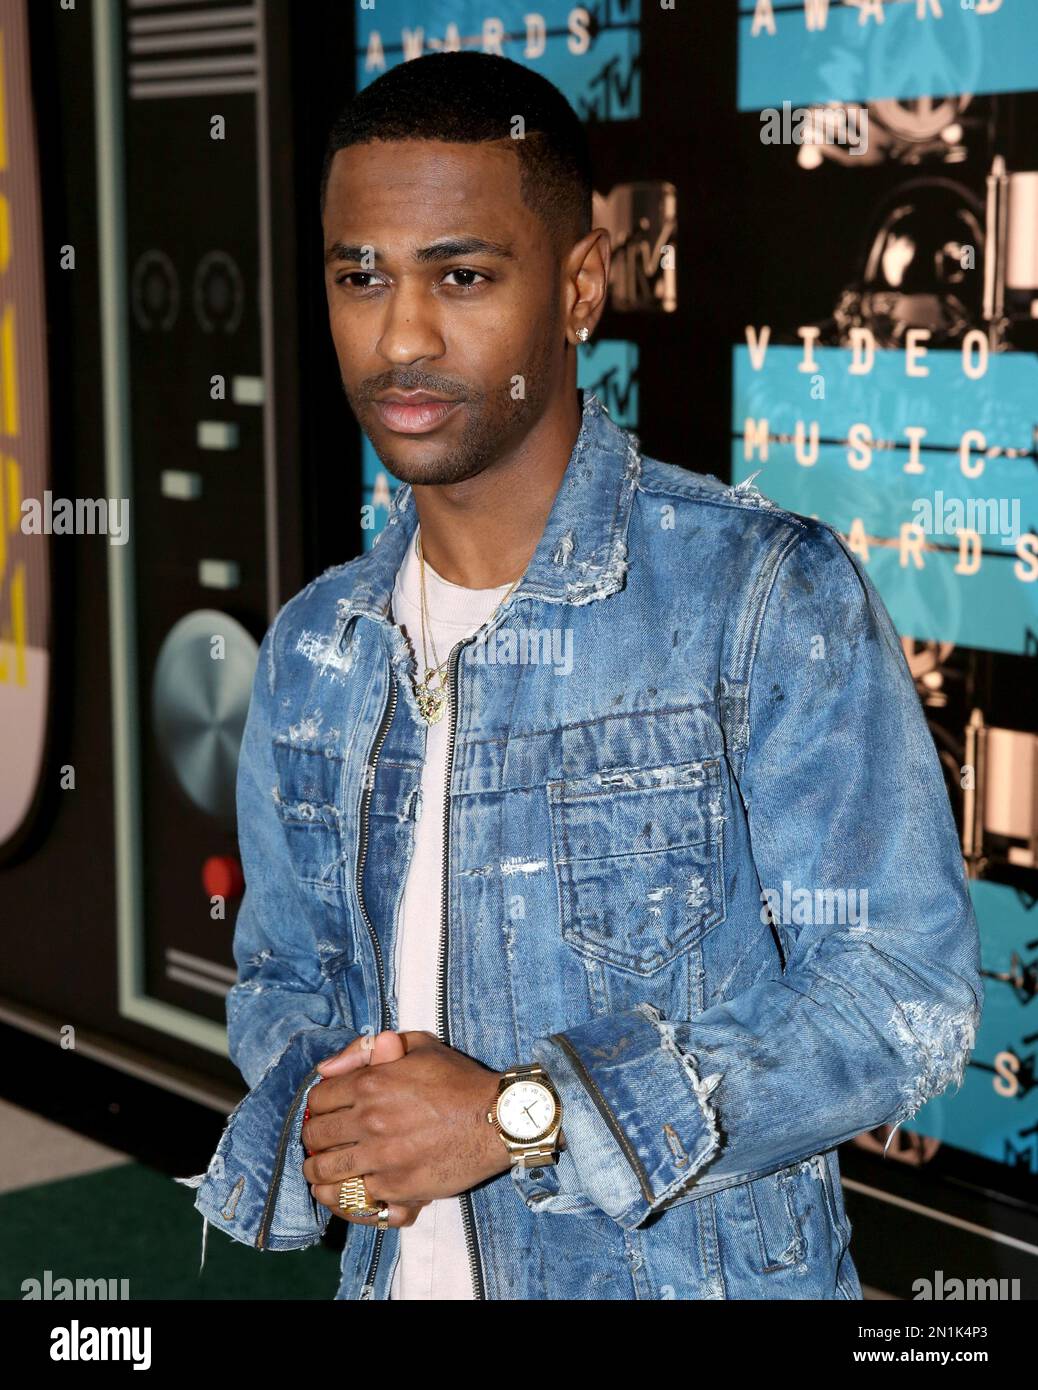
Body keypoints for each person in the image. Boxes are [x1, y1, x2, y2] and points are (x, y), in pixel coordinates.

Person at [185, 50, 983, 1301]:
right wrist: (328, 1127)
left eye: (462, 274)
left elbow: (903, 996)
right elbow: (285, 982)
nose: (400, 334)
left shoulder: (763, 595)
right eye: (361, 277)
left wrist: (522, 1116)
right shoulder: (315, 644)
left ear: (577, 289)